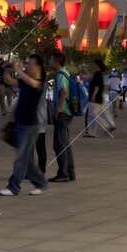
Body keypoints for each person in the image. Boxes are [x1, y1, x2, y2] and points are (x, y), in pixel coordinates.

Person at [0, 54, 48, 196]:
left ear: (38, 66)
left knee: (21, 157)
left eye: (30, 64)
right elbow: (8, 80)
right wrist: (7, 69)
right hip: (19, 123)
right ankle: (41, 183)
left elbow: (31, 82)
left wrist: (19, 70)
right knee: (26, 158)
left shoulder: (39, 83)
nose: (28, 66)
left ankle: (13, 187)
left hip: (30, 125)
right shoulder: (25, 81)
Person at [48, 53, 77, 181]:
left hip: (63, 113)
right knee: (65, 143)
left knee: (59, 144)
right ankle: (70, 172)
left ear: (56, 61)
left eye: (51, 59)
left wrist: (59, 108)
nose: (49, 61)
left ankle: (63, 173)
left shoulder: (60, 74)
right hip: (67, 112)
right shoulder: (65, 73)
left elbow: (63, 92)